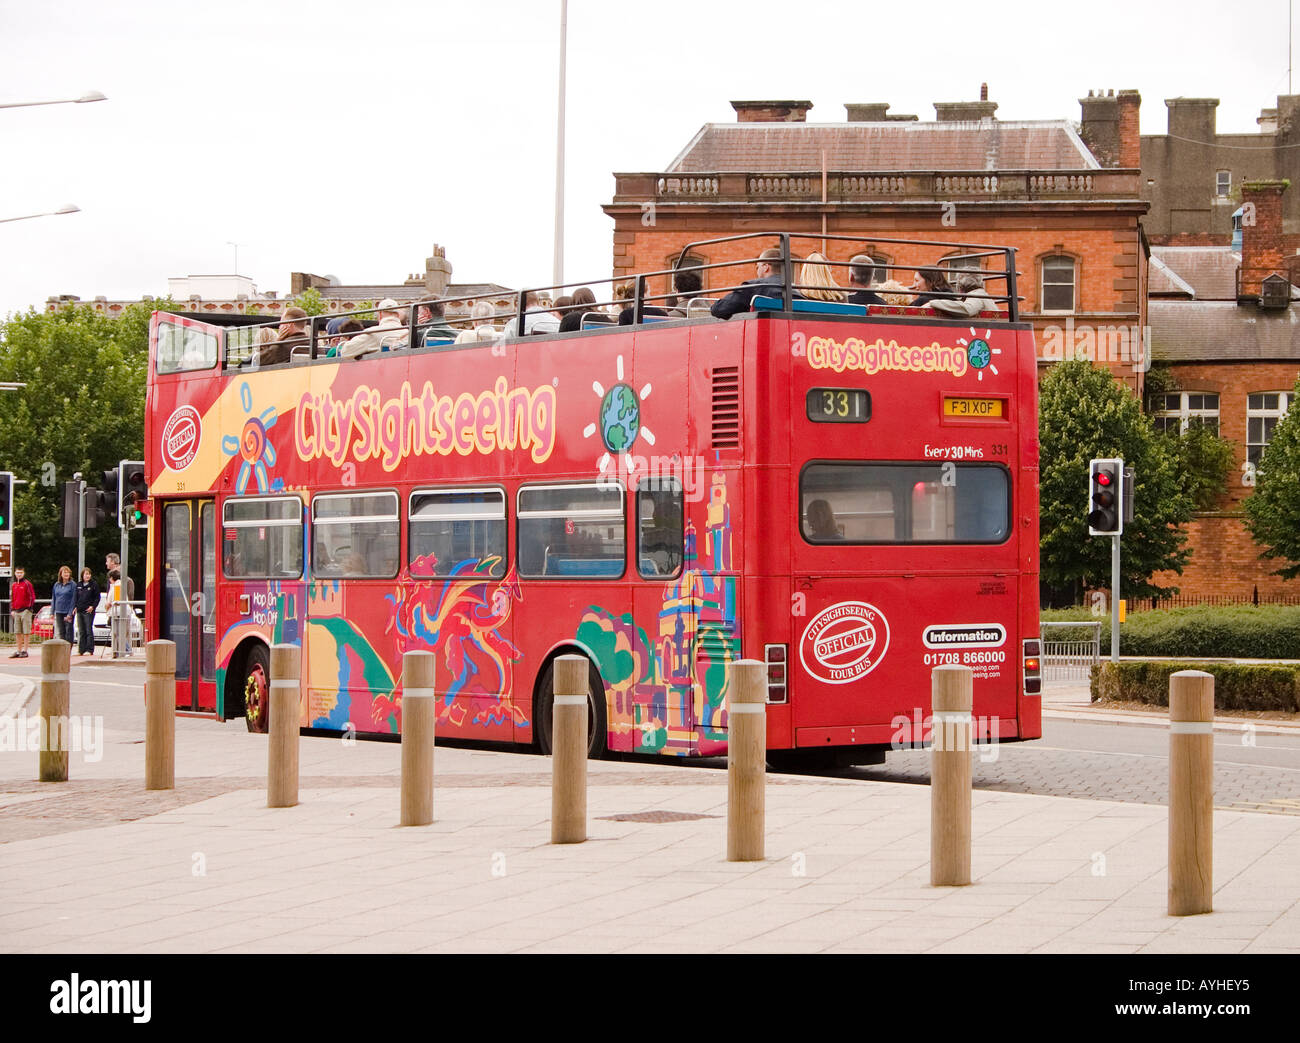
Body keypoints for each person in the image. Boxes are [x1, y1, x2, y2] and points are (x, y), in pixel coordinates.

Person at [710, 247, 803, 319]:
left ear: (766, 267)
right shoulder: (798, 292)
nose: (757, 271)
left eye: (757, 267)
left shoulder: (755, 287)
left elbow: (719, 309)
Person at [338, 299, 407, 358]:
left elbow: (345, 352)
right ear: (398, 315)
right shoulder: (408, 333)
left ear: (380, 314)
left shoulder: (373, 332)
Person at [931, 271, 996, 317]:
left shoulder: (976, 295)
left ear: (961, 286)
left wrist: (933, 303)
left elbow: (967, 309)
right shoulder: (980, 294)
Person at [8, 566, 35, 658]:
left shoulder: (27, 584)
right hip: (16, 610)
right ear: (15, 573)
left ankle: (25, 650)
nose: (19, 574)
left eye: (21, 572)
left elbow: (32, 596)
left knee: (26, 631)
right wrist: (12, 609)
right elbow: (12, 598)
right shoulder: (14, 585)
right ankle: (18, 650)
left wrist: (29, 608)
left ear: (24, 573)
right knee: (17, 631)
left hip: (25, 610)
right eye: (17, 572)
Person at [74, 566, 100, 657]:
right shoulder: (78, 585)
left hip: (88, 611)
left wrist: (92, 606)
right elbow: (76, 597)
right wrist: (75, 606)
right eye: (86, 574)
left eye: (89, 574)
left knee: (88, 630)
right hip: (80, 610)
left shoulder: (94, 585)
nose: (87, 576)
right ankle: (81, 650)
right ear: (82, 575)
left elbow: (97, 598)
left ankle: (89, 649)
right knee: (81, 631)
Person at [51, 565, 77, 644]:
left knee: (68, 630)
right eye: (64, 572)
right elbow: (54, 598)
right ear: (61, 574)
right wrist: (52, 612)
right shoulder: (56, 585)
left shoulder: (73, 585)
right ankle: (62, 647)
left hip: (68, 611)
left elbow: (74, 599)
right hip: (59, 611)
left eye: (68, 572)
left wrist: (70, 613)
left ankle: (68, 647)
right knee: (61, 631)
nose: (66, 574)